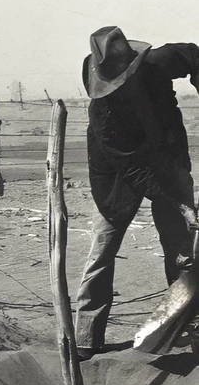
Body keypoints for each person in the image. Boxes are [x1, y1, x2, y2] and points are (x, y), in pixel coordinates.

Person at [76, 26, 199, 359]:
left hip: (169, 164)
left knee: (182, 253)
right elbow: (132, 167)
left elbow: (192, 53)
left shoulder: (157, 63)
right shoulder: (102, 112)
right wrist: (179, 203)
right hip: (117, 177)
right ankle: (87, 338)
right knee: (102, 252)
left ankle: (186, 327)